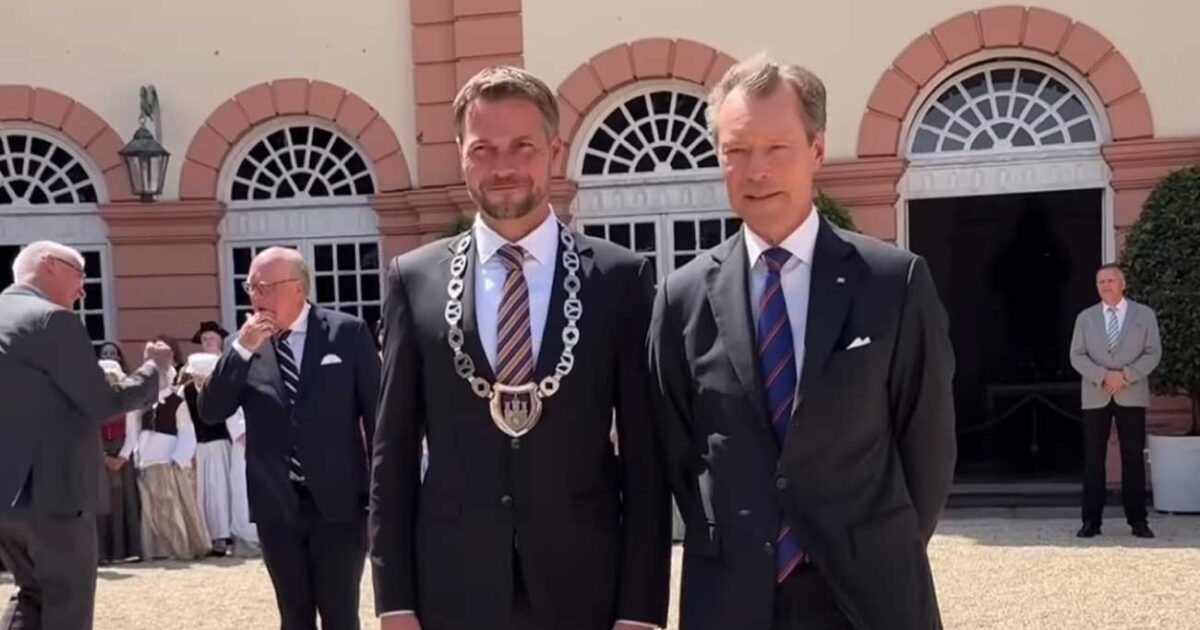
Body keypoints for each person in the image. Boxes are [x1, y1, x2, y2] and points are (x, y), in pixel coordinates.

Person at [647, 54, 956, 630]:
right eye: (736, 151)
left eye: (775, 148)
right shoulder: (681, 299)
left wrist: (882, 546)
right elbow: (678, 454)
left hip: (869, 597)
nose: (755, 170)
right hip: (731, 599)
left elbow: (928, 445)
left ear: (816, 150)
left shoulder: (893, 281)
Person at [370, 66, 670, 630]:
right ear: (460, 153)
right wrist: (395, 601)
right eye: (482, 149)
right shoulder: (414, 279)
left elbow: (645, 459)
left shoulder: (620, 278)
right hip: (451, 591)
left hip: (586, 590)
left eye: (521, 147)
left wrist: (642, 611)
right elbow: (394, 454)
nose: (503, 167)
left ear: (554, 152)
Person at [199, 247, 380, 630]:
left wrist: (382, 492)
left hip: (339, 503)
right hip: (275, 503)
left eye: (263, 287)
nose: (254, 297)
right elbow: (212, 411)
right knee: (293, 616)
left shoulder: (346, 333)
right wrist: (239, 353)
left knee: (341, 613)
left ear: (297, 288)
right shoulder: (245, 345)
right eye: (250, 287)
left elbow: (377, 416)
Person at [0, 240, 172, 630]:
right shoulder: (51, 320)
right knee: (67, 605)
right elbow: (103, 401)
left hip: (8, 497)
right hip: (53, 492)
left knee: (32, 595)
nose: (83, 289)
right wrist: (154, 370)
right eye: (79, 274)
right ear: (48, 265)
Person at [1069, 264, 1161, 539]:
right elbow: (1077, 355)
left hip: (1131, 392)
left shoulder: (1144, 315)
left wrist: (1126, 375)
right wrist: (1104, 376)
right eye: (1100, 281)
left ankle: (1138, 521)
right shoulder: (1085, 318)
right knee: (1093, 459)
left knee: (1133, 458)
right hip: (1096, 394)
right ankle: (1091, 522)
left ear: (1123, 284)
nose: (1105, 285)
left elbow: (1152, 352)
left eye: (1110, 280)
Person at [130, 342, 212, 561]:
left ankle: (177, 546)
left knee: (170, 504)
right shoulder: (144, 403)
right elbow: (135, 430)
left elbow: (187, 432)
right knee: (151, 505)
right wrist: (136, 453)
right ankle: (156, 548)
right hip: (148, 456)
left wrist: (180, 456)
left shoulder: (177, 402)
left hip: (168, 458)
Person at [191, 321, 260, 556]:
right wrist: (241, 431)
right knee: (240, 489)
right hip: (240, 441)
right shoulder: (228, 373)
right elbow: (228, 405)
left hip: (261, 436)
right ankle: (245, 537)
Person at [183, 352, 240, 557]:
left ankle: (223, 536)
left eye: (201, 375)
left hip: (219, 445)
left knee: (220, 491)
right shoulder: (187, 391)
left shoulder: (219, 390)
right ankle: (204, 535)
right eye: (195, 375)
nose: (197, 379)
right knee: (201, 492)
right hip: (198, 446)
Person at [95, 344, 143, 565]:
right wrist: (103, 457)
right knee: (100, 505)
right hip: (97, 458)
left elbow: (133, 431)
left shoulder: (128, 401)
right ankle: (101, 552)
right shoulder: (91, 402)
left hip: (123, 458)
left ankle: (126, 550)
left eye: (112, 377)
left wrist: (121, 458)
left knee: (124, 504)